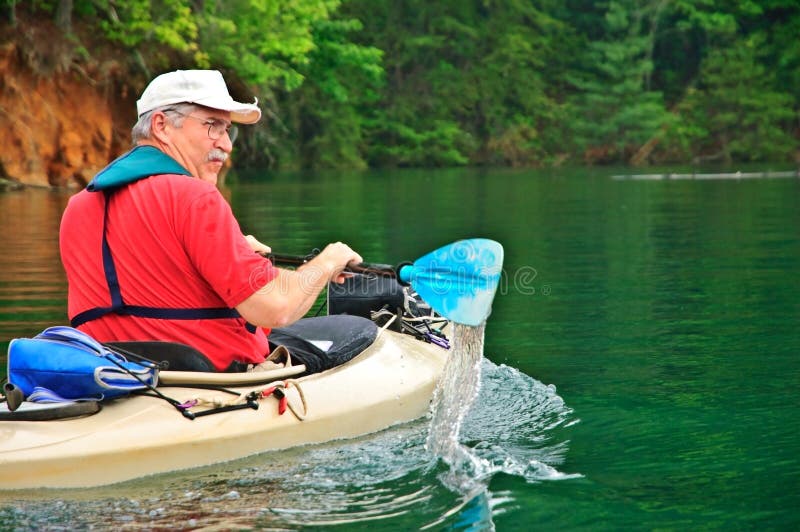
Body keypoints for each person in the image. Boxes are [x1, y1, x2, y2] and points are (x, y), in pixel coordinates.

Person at [59, 69, 362, 371]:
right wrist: (327, 263)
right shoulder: (195, 197)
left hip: (111, 375)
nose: (227, 144)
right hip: (206, 383)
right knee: (358, 330)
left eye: (227, 130)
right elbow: (276, 307)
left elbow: (153, 280)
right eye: (212, 126)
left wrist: (237, 253)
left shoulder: (79, 206)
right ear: (162, 125)